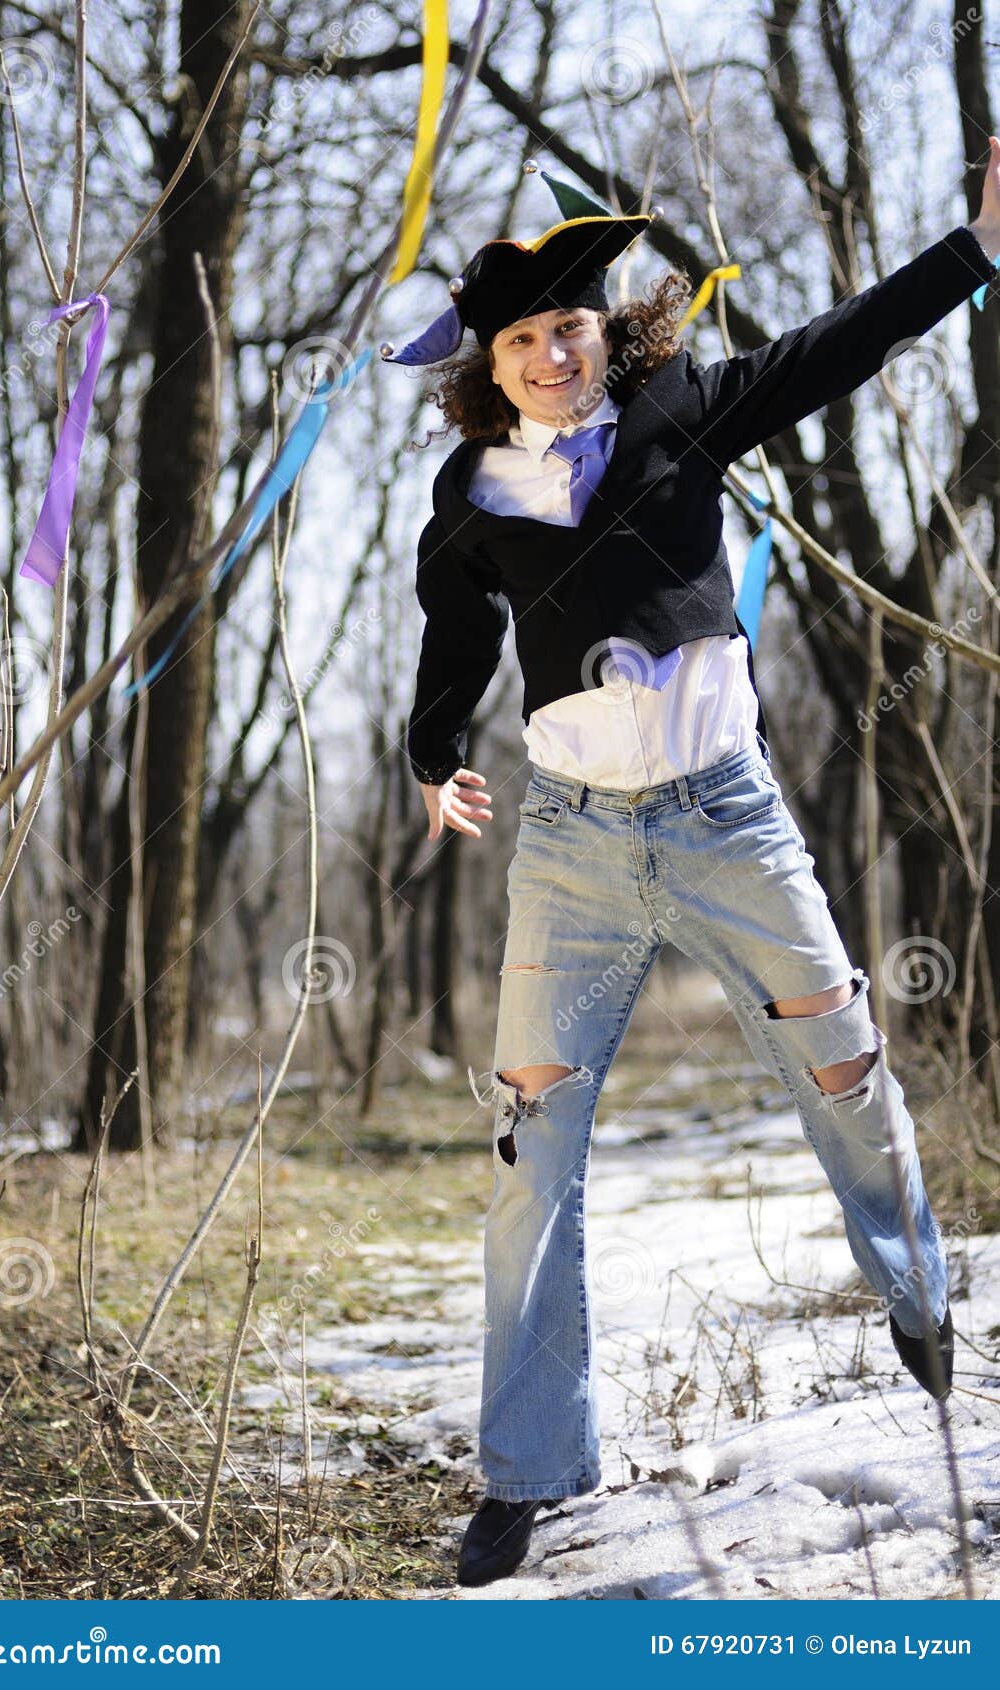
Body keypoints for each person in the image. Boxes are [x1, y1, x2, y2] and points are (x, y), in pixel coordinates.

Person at [381, 150, 1000, 1588]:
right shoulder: (465, 495)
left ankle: (918, 1298)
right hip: (575, 850)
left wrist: (975, 245)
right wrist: (429, 755)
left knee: (844, 1063)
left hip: (730, 821)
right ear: (493, 360)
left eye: (571, 327)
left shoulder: (681, 410)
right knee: (534, 1156)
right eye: (523, 337)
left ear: (609, 330)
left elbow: (836, 348)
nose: (551, 353)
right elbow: (455, 647)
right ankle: (528, 1470)